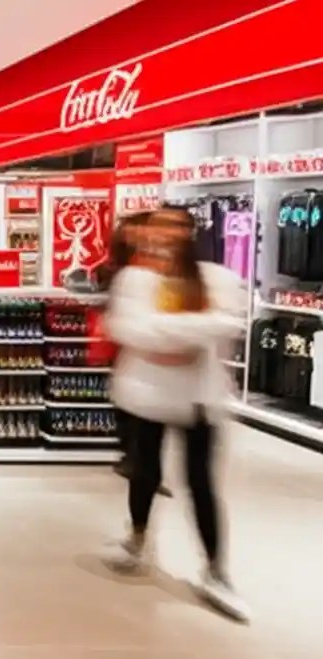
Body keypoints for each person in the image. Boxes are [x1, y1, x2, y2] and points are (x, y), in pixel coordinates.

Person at [101, 206, 248, 621]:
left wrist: (161, 331)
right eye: (160, 226)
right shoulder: (134, 281)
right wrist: (190, 327)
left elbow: (227, 325)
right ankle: (137, 538)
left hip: (200, 400)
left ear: (190, 231)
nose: (167, 234)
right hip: (145, 396)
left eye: (176, 226)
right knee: (144, 474)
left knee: (201, 484)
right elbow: (128, 329)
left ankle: (217, 571)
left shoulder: (217, 278)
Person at [101, 212, 170, 495]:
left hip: (150, 352)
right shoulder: (117, 269)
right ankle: (134, 462)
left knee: (150, 415)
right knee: (131, 409)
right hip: (126, 345)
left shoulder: (158, 266)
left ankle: (145, 469)